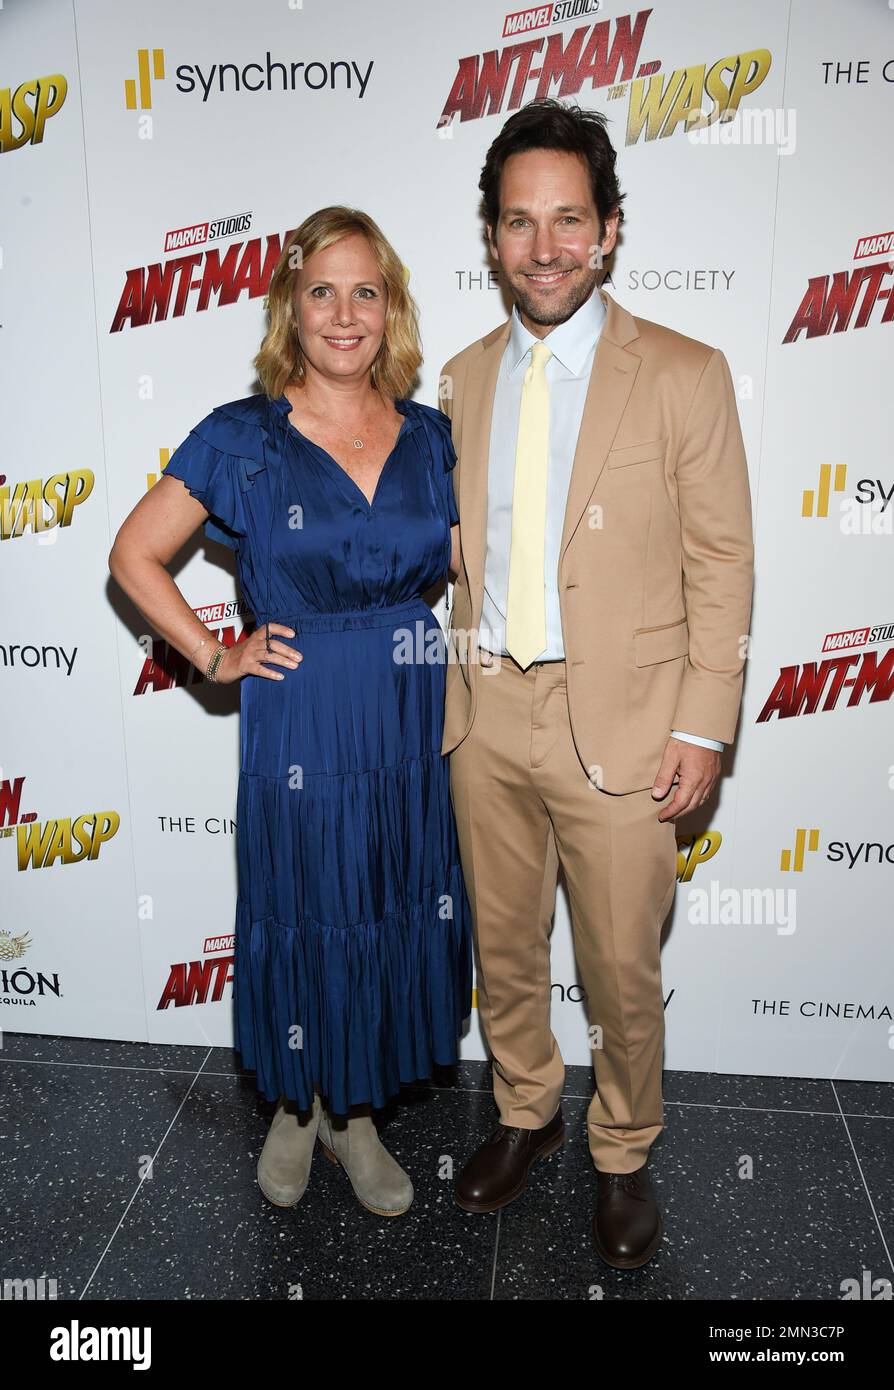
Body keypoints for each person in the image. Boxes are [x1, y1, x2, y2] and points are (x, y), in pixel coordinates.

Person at [438, 100, 754, 1266]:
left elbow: (722, 560)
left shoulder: (682, 370)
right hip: (485, 714)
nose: (546, 246)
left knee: (624, 964)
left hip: (626, 721)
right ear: (493, 238)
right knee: (505, 947)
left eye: (570, 219)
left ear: (610, 230)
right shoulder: (462, 379)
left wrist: (703, 726)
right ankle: (528, 1110)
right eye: (520, 222)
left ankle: (623, 1149)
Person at [109, 206, 472, 1219]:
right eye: (323, 291)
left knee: (389, 898)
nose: (345, 312)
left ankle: (356, 1112)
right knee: (309, 903)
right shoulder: (243, 437)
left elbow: (472, 563)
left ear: (389, 307)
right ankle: (298, 1107)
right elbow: (134, 554)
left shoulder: (431, 434)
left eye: (367, 290)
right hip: (300, 708)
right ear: (291, 308)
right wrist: (216, 654)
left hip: (405, 701)